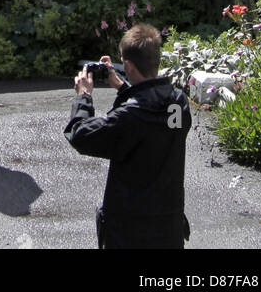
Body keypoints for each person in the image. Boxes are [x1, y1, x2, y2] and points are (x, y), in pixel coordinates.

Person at [64, 23, 191, 249]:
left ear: (129, 66)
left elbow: (81, 135)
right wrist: (123, 88)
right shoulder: (178, 105)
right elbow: (154, 121)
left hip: (130, 235)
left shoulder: (130, 118)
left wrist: (84, 96)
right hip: (167, 231)